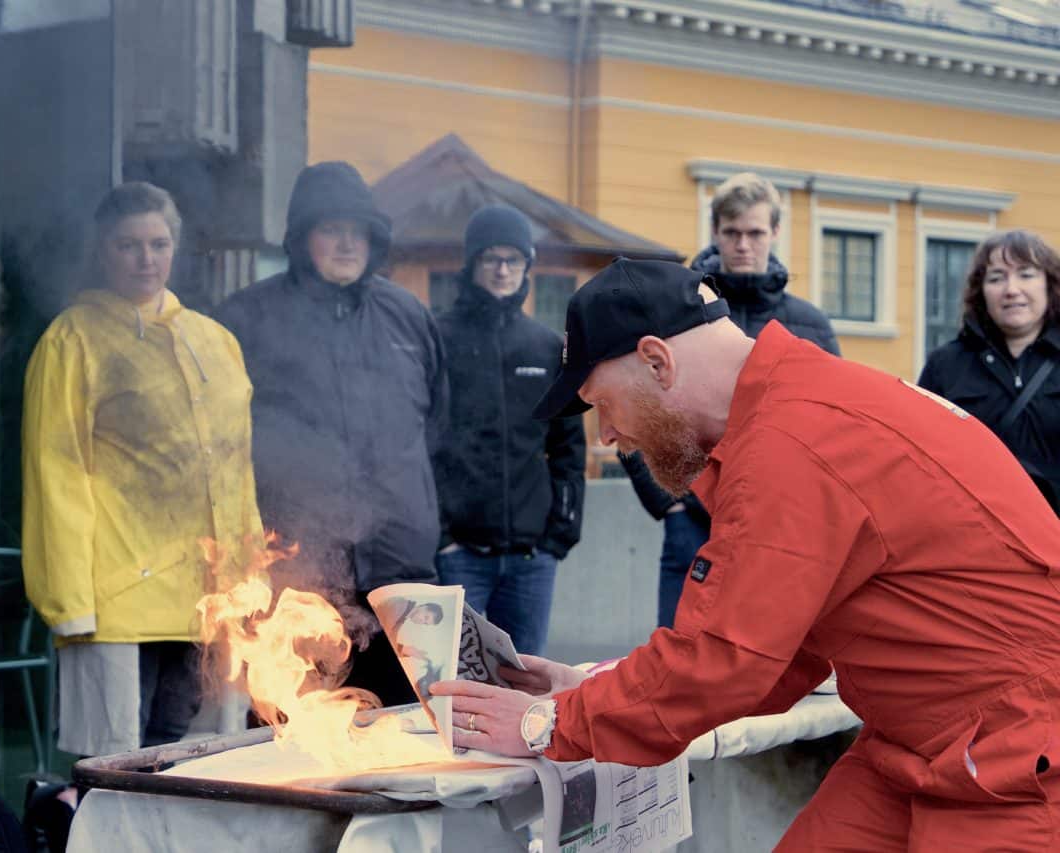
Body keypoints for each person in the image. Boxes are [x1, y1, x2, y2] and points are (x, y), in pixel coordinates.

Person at [433, 258, 1060, 849]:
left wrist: (547, 724)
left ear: (657, 362)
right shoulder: (794, 406)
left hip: (1015, 755)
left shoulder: (790, 442)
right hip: (921, 740)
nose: (611, 438)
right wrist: (589, 687)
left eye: (603, 405)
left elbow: (723, 661)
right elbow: (780, 651)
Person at [22, 182, 264, 761]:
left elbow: (237, 472)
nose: (146, 259)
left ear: (175, 247)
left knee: (203, 761)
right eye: (128, 245)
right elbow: (55, 474)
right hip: (117, 600)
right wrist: (69, 600)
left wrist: (250, 577)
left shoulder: (215, 341)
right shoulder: (71, 340)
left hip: (208, 599)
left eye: (158, 244)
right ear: (101, 250)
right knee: (119, 764)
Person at [213, 161, 446, 708]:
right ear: (300, 238)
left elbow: (439, 429)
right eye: (330, 229)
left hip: (401, 571)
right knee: (297, 737)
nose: (346, 242)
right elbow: (221, 444)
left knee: (407, 732)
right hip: (301, 571)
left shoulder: (407, 316)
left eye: (357, 230)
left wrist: (426, 525)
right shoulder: (246, 319)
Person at [621, 171, 839, 628]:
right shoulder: (675, 312)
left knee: (768, 675)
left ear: (774, 233)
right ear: (716, 232)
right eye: (733, 232)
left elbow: (831, 428)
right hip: (693, 522)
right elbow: (633, 404)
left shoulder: (809, 324)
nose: (743, 244)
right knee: (676, 671)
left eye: (755, 232)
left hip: (778, 525)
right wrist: (669, 503)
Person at [432, 204, 586, 655]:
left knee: (525, 682)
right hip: (459, 556)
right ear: (472, 264)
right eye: (491, 258)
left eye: (513, 260)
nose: (502, 270)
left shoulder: (545, 347)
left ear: (527, 267)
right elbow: (420, 446)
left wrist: (559, 535)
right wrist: (441, 540)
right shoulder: (439, 340)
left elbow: (568, 449)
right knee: (459, 684)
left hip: (532, 559)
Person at [919, 229, 1060, 514]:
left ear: (1049, 284)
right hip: (976, 542)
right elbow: (924, 464)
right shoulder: (945, 366)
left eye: (1026, 274)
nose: (1011, 289)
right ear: (981, 291)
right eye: (997, 277)